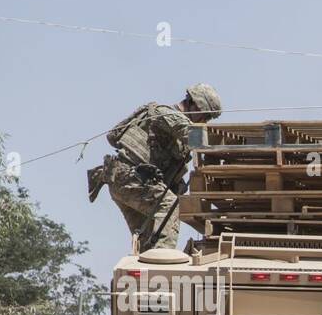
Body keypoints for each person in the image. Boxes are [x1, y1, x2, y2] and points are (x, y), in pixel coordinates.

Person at [87, 83, 222, 251]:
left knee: (148, 239)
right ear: (195, 105)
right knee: (169, 206)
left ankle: (151, 269)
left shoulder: (175, 126)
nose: (205, 122)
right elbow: (197, 138)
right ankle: (163, 260)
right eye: (205, 116)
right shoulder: (168, 114)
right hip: (130, 178)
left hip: (129, 181)